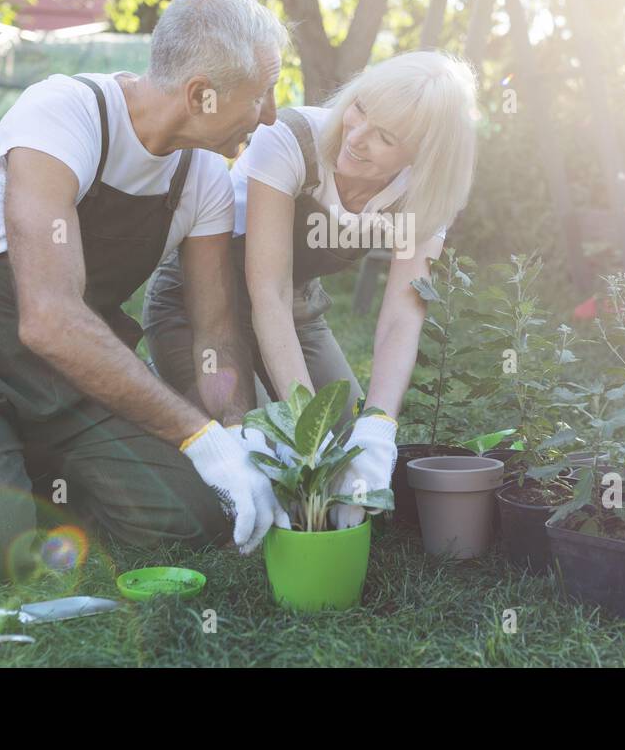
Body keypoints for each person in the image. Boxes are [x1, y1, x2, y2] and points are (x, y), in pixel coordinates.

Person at [0, 0, 289, 582]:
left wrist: (236, 433)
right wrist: (198, 438)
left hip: (76, 376)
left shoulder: (203, 176)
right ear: (201, 95)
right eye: (260, 96)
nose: (272, 114)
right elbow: (48, 317)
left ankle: (20, 459)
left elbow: (215, 333)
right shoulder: (63, 114)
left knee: (195, 514)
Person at [143, 50, 478, 528]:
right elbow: (268, 292)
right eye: (361, 109)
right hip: (199, 310)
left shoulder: (426, 194)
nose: (355, 137)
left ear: (424, 155)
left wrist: (379, 426)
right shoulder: (293, 139)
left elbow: (404, 315)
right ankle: (168, 383)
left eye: (385, 137)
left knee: (347, 448)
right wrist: (304, 424)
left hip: (295, 312)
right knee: (268, 455)